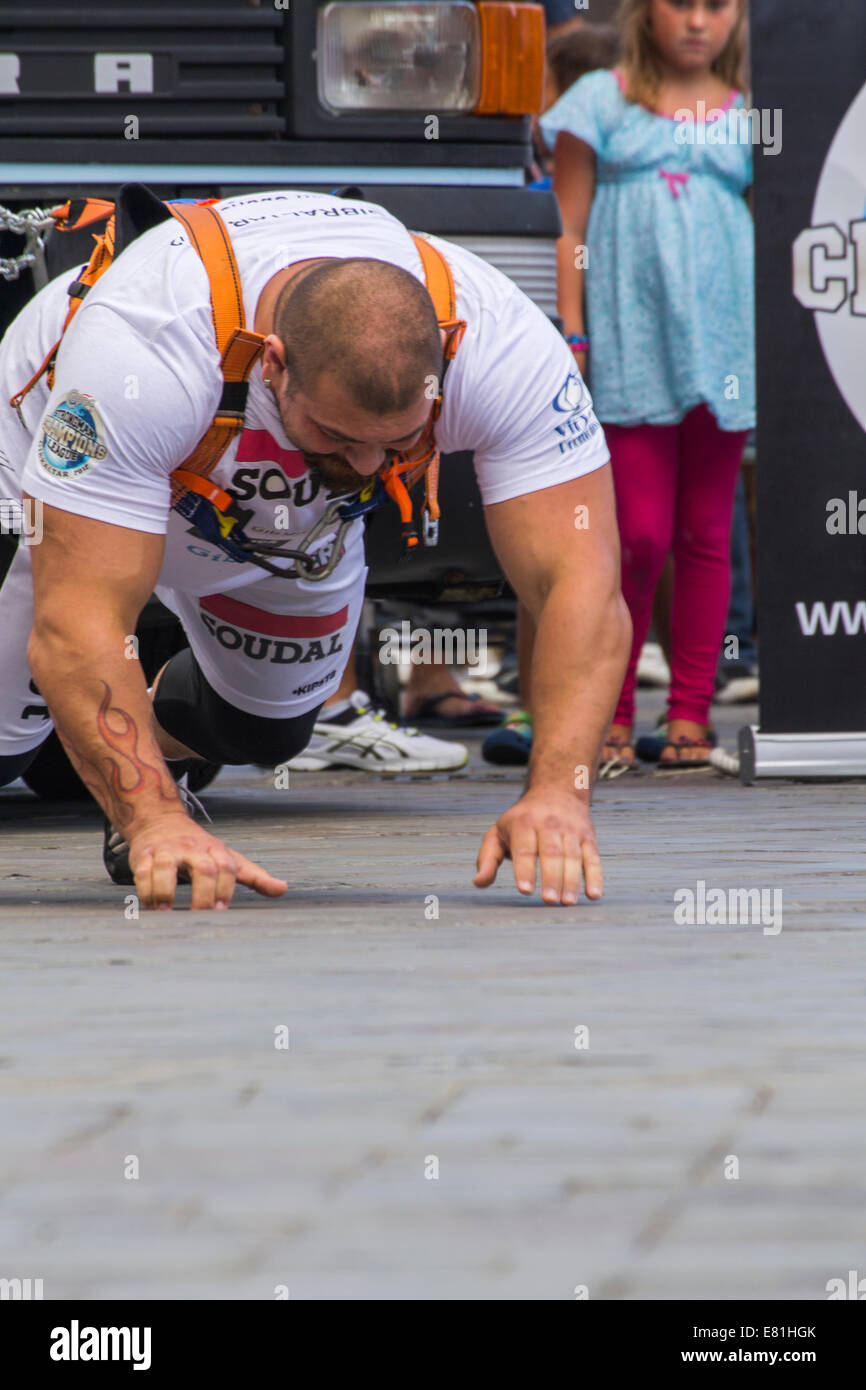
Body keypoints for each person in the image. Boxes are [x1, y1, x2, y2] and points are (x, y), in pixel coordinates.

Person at [0, 188, 630, 910]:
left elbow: (578, 582)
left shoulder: (505, 342)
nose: (368, 467)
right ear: (275, 364)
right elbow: (75, 619)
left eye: (398, 445)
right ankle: (72, 732)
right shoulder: (147, 344)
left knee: (263, 730)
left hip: (280, 526)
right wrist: (153, 821)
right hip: (55, 487)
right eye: (338, 436)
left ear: (447, 357)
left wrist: (557, 791)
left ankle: (123, 718)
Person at [541, 0, 755, 772]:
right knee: (636, 535)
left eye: (719, 6)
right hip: (631, 338)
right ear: (644, 13)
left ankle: (691, 712)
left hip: (725, 339)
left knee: (705, 531)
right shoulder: (600, 100)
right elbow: (570, 226)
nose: (699, 21)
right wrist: (572, 333)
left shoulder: (753, 114)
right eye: (681, 4)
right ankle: (611, 709)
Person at [486, 19, 620, 767]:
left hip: (620, 365)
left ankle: (590, 714)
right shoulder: (540, 177)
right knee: (554, 547)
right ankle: (541, 708)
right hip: (564, 355)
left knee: (578, 551)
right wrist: (571, 337)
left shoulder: (592, 161)